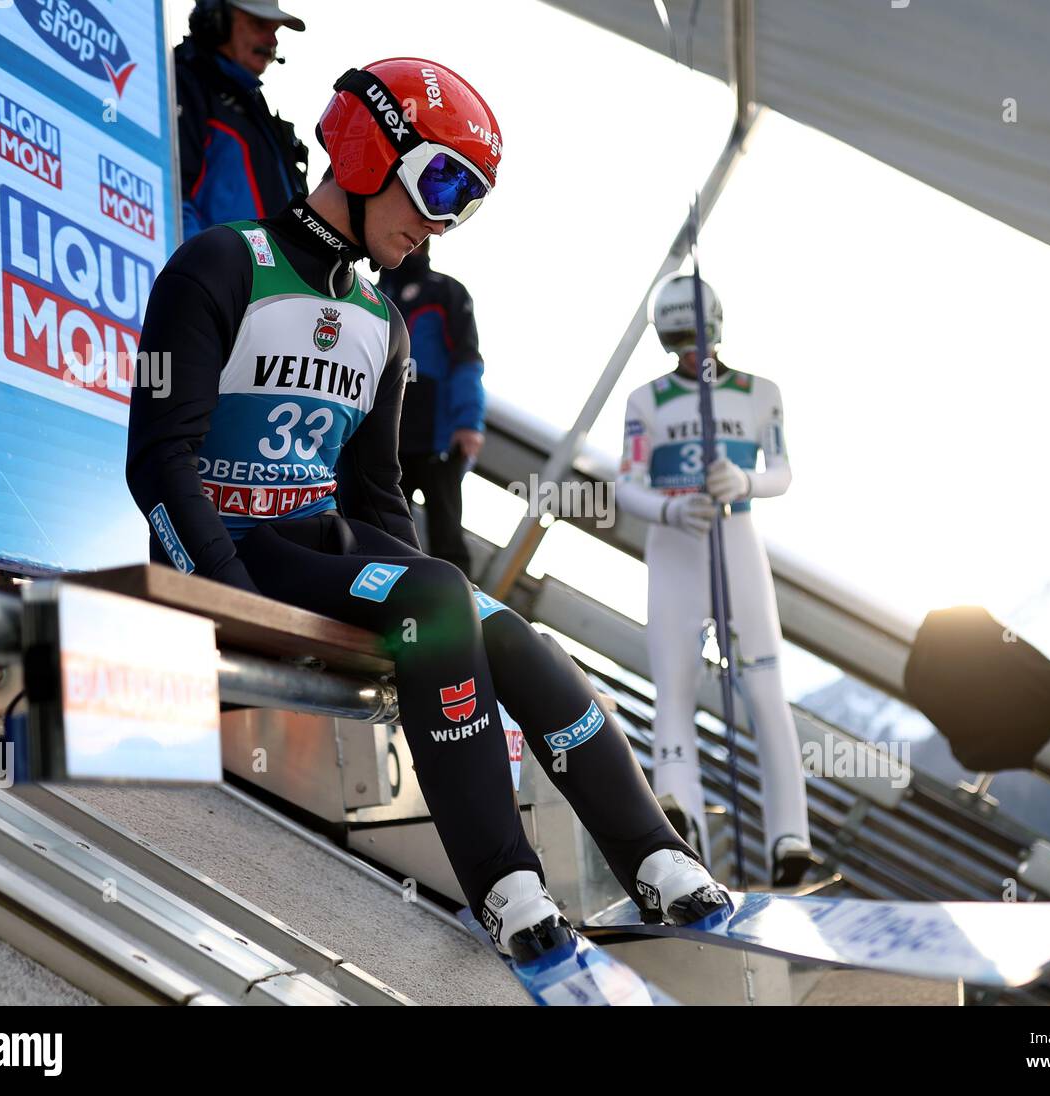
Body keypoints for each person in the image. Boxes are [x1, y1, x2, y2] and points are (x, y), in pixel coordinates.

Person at [126, 59, 732, 960]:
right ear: (372, 152)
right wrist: (225, 594)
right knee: (443, 601)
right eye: (440, 182)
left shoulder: (381, 319)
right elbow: (156, 459)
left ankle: (656, 859)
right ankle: (506, 889)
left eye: (469, 201)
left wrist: (429, 602)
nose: (443, 220)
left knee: (510, 632)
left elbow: (373, 496)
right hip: (233, 553)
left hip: (317, 544)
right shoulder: (220, 263)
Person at [614, 274, 816, 887]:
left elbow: (782, 470)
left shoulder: (761, 393)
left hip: (736, 544)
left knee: (764, 685)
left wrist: (747, 482)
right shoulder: (645, 400)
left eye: (695, 338)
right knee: (672, 684)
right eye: (676, 341)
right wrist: (669, 508)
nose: (689, 354)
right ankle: (680, 818)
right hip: (675, 547)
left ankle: (791, 837)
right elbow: (625, 482)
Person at [378, 239, 485, 578]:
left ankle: (461, 616)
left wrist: (469, 423)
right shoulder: (373, 292)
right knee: (381, 534)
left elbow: (468, 360)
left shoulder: (447, 292)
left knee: (447, 537)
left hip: (438, 440)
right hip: (383, 439)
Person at [174, 0, 309, 239]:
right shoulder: (182, 82)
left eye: (275, 30)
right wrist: (201, 269)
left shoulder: (255, 107)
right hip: (209, 272)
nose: (272, 41)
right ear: (215, 19)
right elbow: (171, 196)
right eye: (259, 25)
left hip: (261, 275)